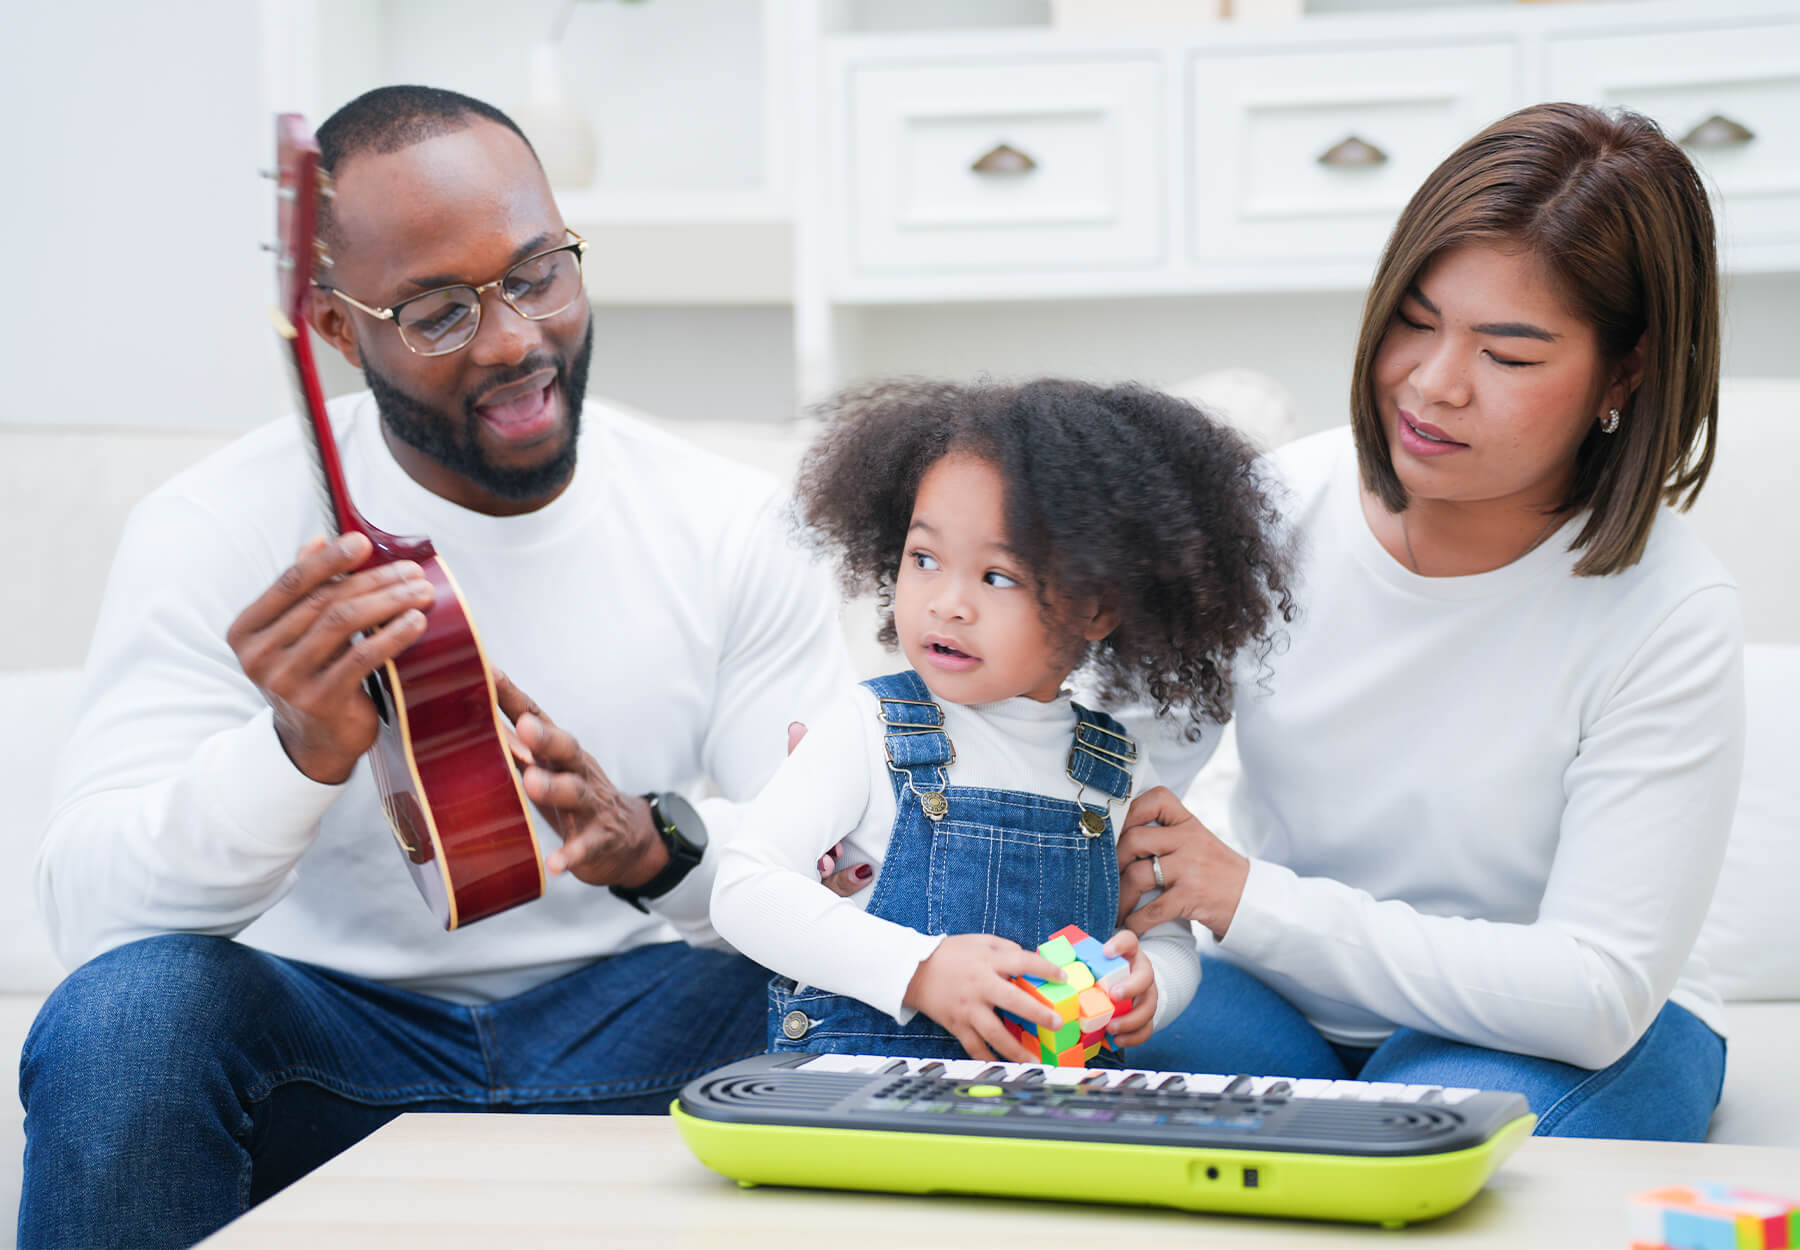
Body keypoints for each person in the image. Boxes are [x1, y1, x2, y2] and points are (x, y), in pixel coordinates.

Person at [19, 86, 850, 1249]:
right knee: (131, 1016)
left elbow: (839, 887)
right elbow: (93, 917)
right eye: (438, 311)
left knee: (859, 989)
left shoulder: (732, 524)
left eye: (538, 272)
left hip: (638, 1026)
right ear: (333, 328)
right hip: (326, 1051)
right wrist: (294, 752)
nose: (515, 340)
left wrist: (661, 850)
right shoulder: (211, 526)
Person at [1114, 102, 1744, 1141]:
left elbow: (1593, 991)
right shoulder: (1269, 509)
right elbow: (1116, 767)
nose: (1433, 383)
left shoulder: (1669, 608)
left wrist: (1250, 899)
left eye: (1509, 354)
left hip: (1561, 1028)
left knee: (1434, 1132)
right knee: (1023, 1055)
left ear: (1623, 373)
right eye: (1416, 316)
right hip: (1278, 994)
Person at [710, 378, 1296, 1063]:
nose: (948, 603)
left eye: (998, 577)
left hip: (1043, 1115)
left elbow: (1161, 930)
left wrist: (1154, 987)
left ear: (1098, 609)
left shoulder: (1116, 769)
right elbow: (745, 887)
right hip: (856, 1098)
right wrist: (921, 969)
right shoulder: (867, 727)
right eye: (924, 559)